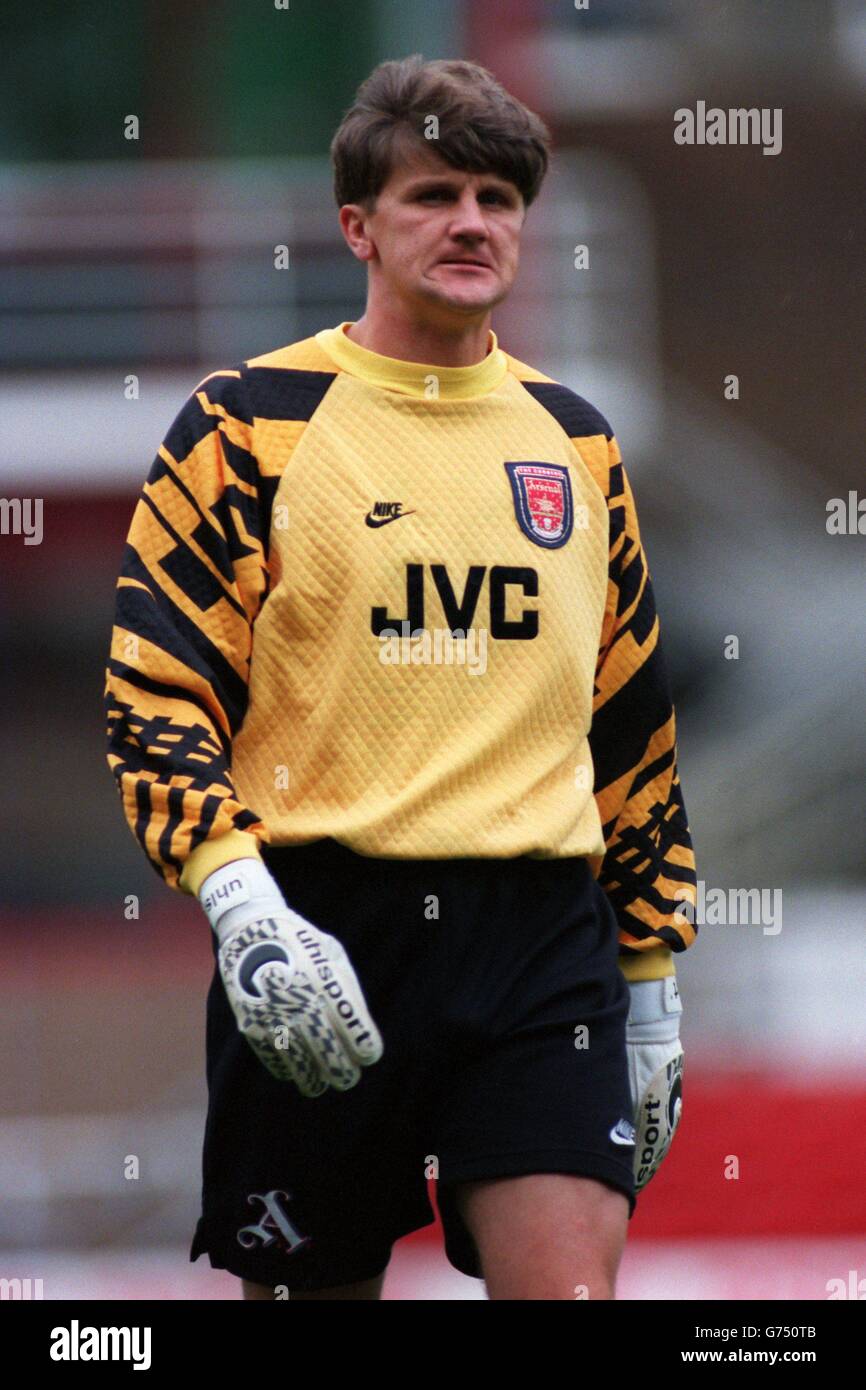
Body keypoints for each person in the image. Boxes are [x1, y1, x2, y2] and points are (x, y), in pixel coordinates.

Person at [104, 54, 697, 1301]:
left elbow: (629, 729)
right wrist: (240, 907)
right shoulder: (243, 424)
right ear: (357, 227)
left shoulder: (577, 442)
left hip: (542, 939)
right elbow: (156, 694)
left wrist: (649, 984)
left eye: (497, 197)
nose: (471, 222)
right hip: (320, 922)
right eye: (433, 194)